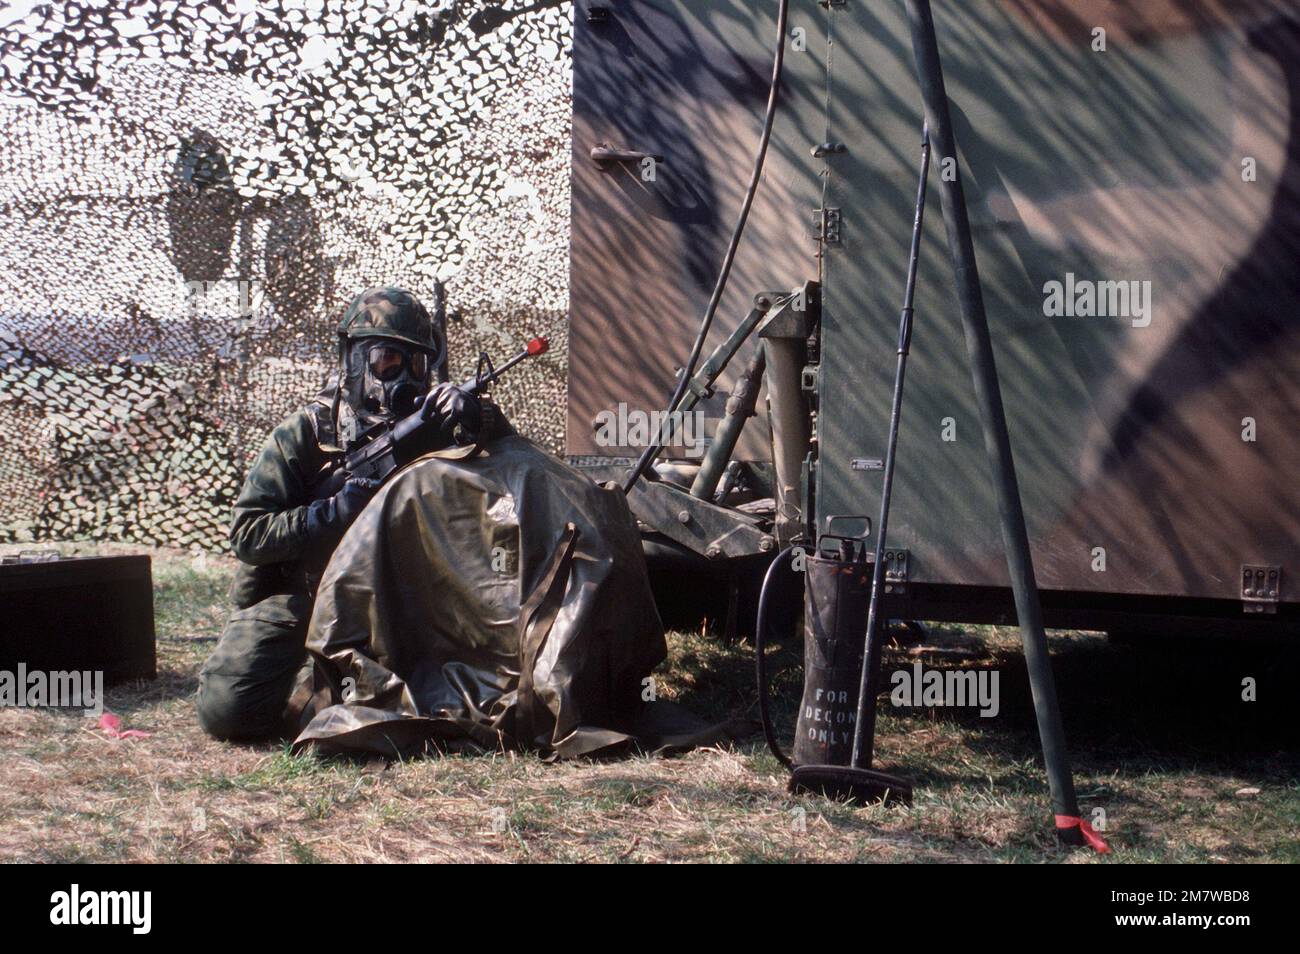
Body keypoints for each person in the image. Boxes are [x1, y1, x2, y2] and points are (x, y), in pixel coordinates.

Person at [197, 287, 494, 741]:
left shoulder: (433, 427)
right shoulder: (306, 433)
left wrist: (478, 419)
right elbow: (249, 535)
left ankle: (334, 690)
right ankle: (317, 684)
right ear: (353, 359)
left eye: (416, 365)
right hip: (304, 594)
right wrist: (332, 513)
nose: (403, 379)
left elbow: (506, 472)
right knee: (230, 712)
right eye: (386, 361)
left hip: (399, 602)